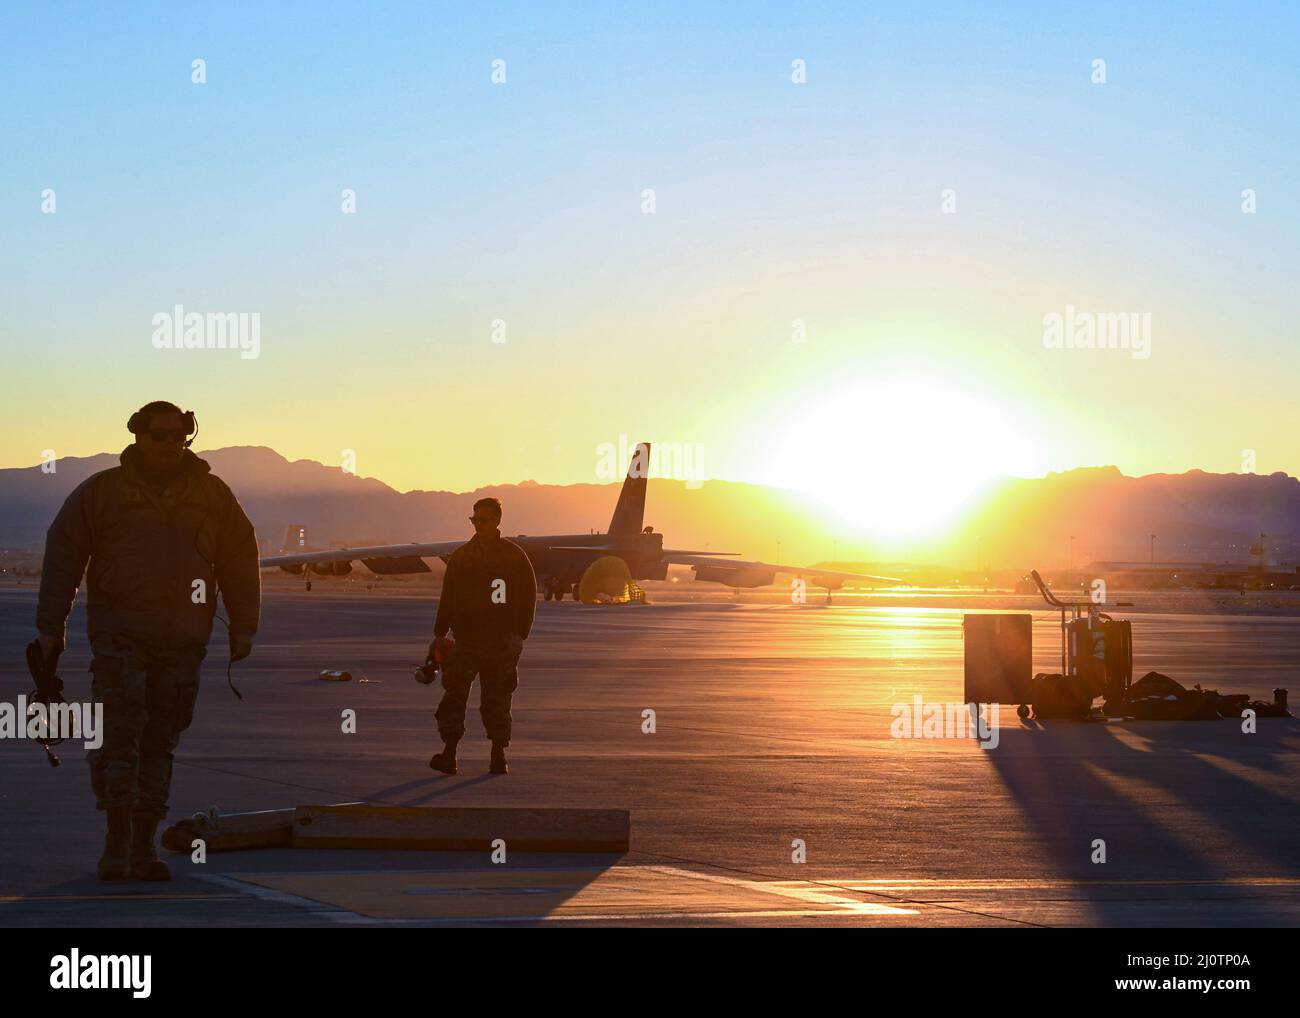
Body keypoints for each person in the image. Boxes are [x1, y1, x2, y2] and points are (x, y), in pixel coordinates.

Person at [35, 401, 261, 881]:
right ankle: (116, 841)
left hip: (182, 640)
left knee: (161, 739)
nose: (169, 445)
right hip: (121, 637)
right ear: (138, 436)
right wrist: (50, 627)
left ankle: (144, 844)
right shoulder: (103, 493)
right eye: (159, 436)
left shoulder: (211, 494)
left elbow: (240, 557)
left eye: (178, 437)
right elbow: (64, 556)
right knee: (118, 735)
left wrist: (244, 625)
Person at [429, 496, 536, 775]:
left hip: (500, 642)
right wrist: (439, 633)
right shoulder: (462, 557)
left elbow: (526, 600)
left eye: (484, 520)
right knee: (453, 697)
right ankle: (449, 754)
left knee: (497, 699)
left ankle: (498, 754)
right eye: (474, 520)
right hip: (467, 641)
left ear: (498, 521)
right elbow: (448, 597)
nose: (478, 525)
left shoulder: (514, 557)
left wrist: (518, 635)